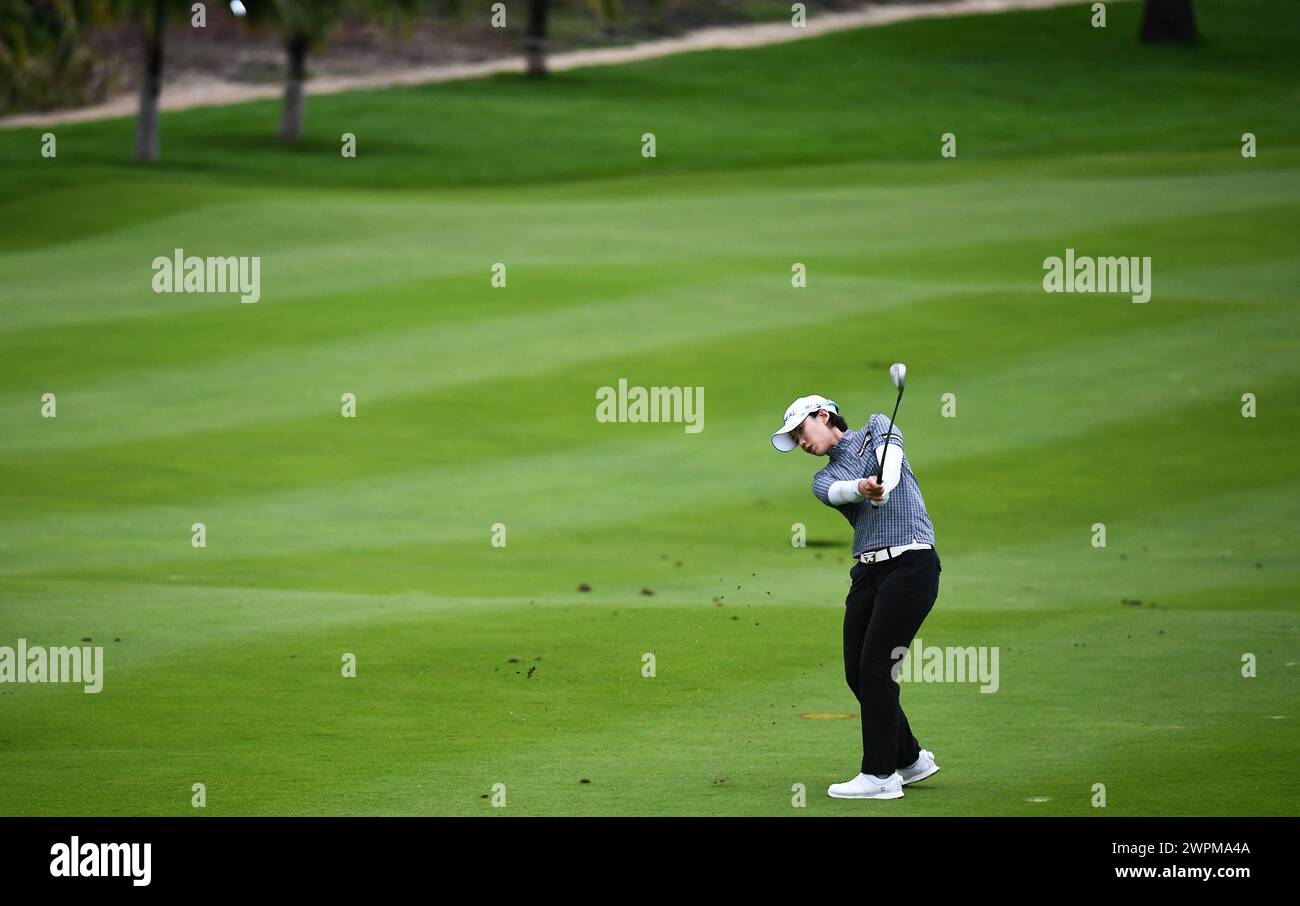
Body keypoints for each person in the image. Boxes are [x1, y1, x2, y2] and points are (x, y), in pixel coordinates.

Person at [770, 394, 942, 800]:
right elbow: (842, 492)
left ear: (824, 415)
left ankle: (880, 776)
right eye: (794, 439)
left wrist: (884, 485)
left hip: (912, 563)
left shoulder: (878, 425)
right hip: (868, 572)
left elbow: (893, 465)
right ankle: (911, 759)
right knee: (857, 671)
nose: (801, 443)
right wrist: (865, 487)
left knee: (876, 667)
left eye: (801, 431)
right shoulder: (822, 480)